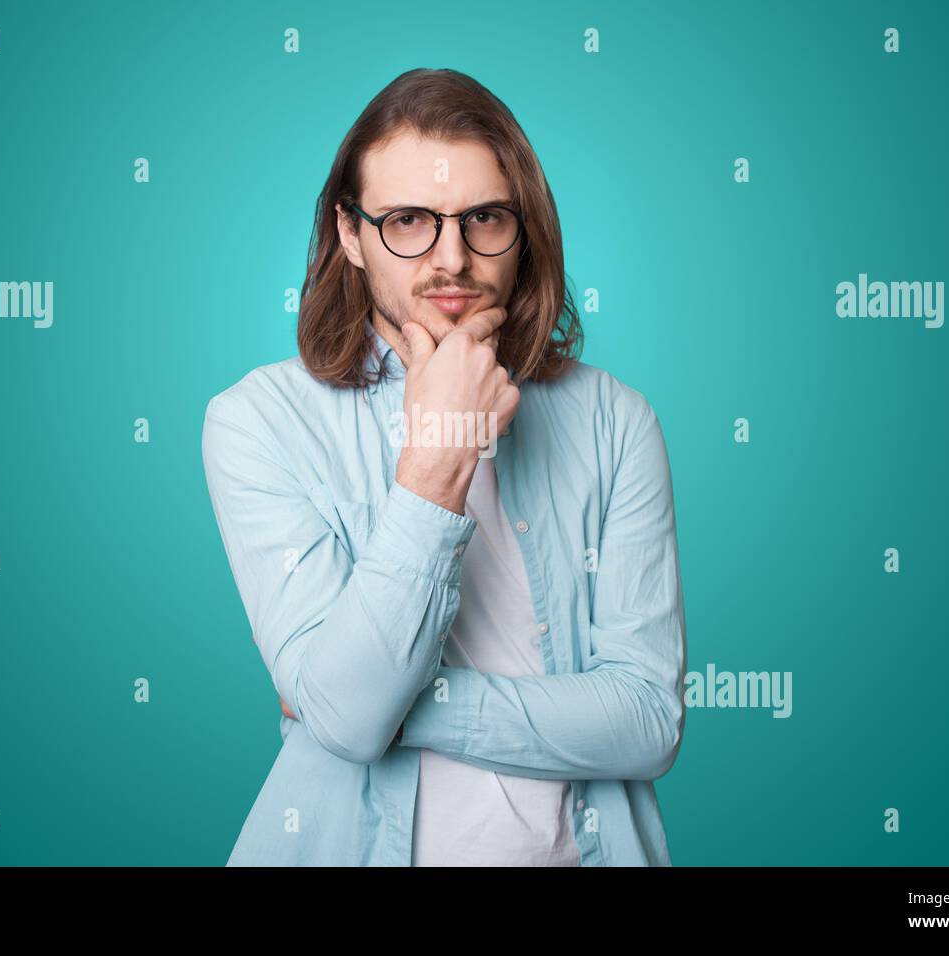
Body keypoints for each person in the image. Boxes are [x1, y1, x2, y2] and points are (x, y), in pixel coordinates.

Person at [201, 67, 687, 866]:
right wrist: (437, 460)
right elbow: (351, 718)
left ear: (522, 229)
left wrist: (380, 706)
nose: (451, 258)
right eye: (409, 221)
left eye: (484, 218)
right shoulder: (258, 423)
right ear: (351, 235)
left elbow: (645, 722)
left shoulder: (615, 421)